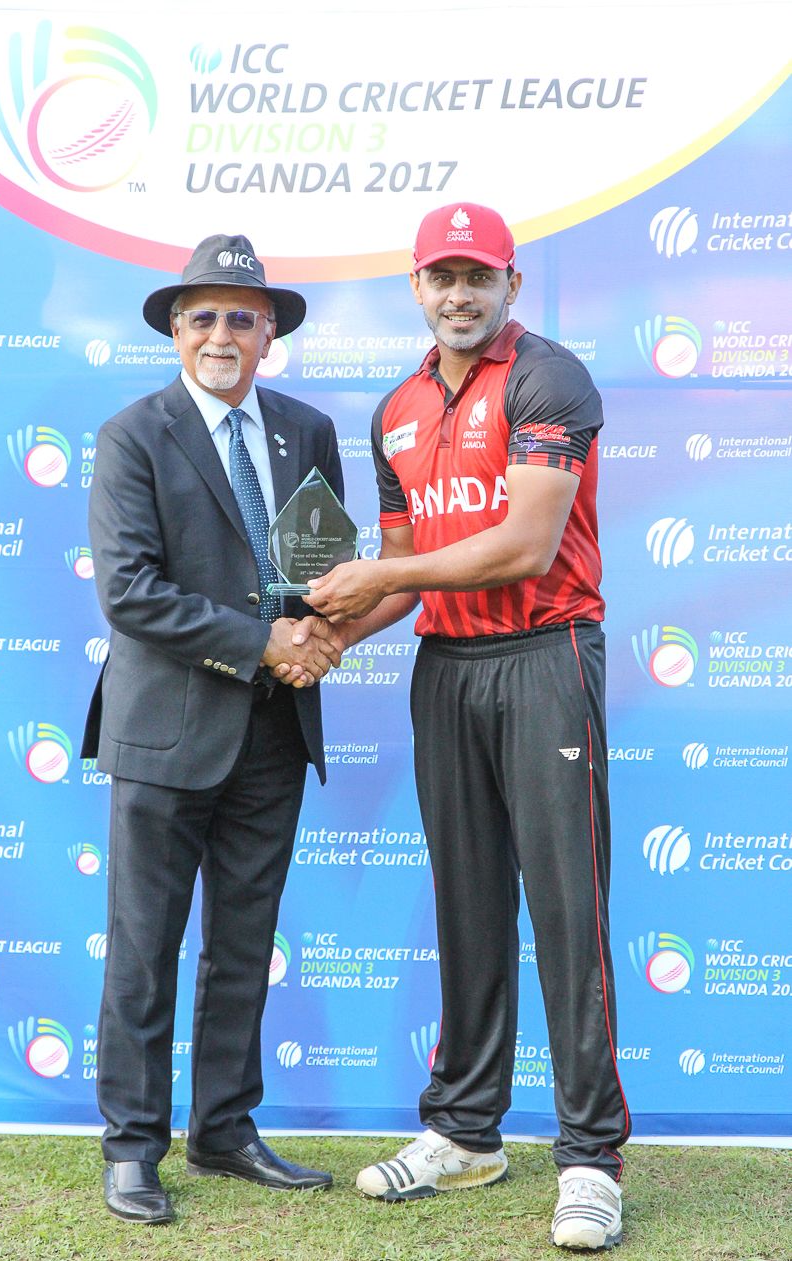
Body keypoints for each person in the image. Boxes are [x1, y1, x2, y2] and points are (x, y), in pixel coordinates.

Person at [303, 203, 631, 1250]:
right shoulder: (396, 406)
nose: (459, 294)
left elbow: (525, 545)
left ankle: (589, 1156)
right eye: (441, 277)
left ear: (511, 286)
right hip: (445, 665)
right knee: (467, 903)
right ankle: (466, 1131)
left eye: (477, 276)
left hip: (546, 658)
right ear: (415, 287)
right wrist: (332, 636)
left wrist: (382, 572)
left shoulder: (549, 377)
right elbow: (402, 572)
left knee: (568, 911)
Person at [82, 233, 345, 1224]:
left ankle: (225, 1129)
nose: (223, 333)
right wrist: (265, 642)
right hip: (164, 733)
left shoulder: (308, 431)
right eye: (204, 318)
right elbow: (131, 594)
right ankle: (132, 1146)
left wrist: (318, 634)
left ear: (270, 330)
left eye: (242, 315)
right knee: (144, 947)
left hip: (276, 733)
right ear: (177, 334)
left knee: (243, 944)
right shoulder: (133, 435)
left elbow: (322, 569)